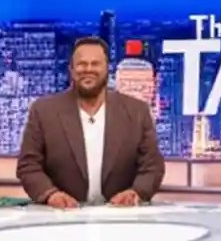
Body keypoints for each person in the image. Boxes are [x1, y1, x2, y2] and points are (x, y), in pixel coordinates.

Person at [17, 36, 165, 208]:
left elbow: (152, 166)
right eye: (81, 64)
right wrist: (51, 195)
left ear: (107, 69)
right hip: (62, 216)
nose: (88, 69)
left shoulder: (137, 111)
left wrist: (136, 192)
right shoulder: (44, 111)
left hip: (121, 216)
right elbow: (28, 166)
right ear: (71, 69)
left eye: (95, 64)